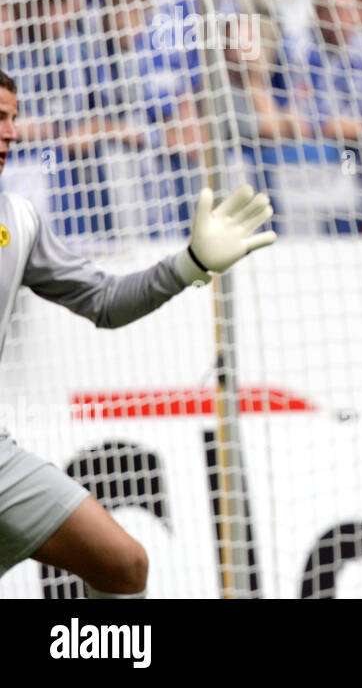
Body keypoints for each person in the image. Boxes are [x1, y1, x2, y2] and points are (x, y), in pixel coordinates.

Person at [0, 70, 277, 596]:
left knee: (124, 566)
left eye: (14, 118)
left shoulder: (19, 221)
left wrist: (191, 264)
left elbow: (104, 301)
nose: (12, 133)